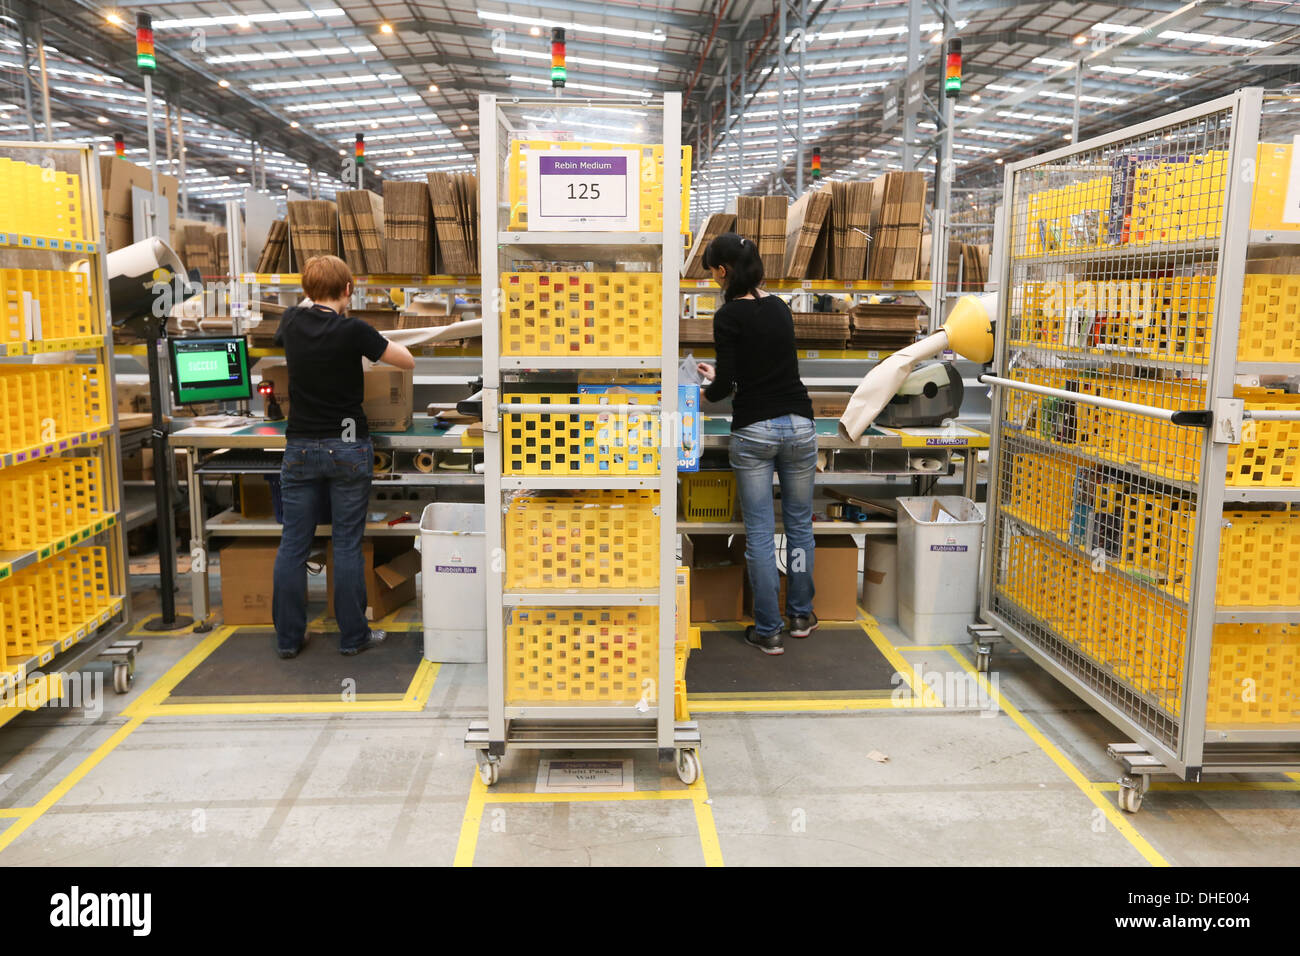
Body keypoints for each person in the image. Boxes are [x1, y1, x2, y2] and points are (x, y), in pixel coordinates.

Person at [271, 255, 415, 659]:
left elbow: (302, 311)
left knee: (293, 545)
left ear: (306, 291)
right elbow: (406, 361)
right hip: (347, 448)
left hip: (300, 447)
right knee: (347, 544)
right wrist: (376, 344)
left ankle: (287, 640)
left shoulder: (291, 323)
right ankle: (353, 638)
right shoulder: (353, 330)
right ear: (349, 290)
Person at [697, 233, 818, 657]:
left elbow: (728, 385)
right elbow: (766, 363)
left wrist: (701, 394)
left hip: (756, 433)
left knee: (762, 534)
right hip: (801, 427)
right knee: (800, 526)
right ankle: (801, 614)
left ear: (723, 271)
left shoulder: (729, 315)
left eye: (712, 270)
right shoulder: (780, 308)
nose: (712, 278)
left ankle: (768, 629)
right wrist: (723, 373)